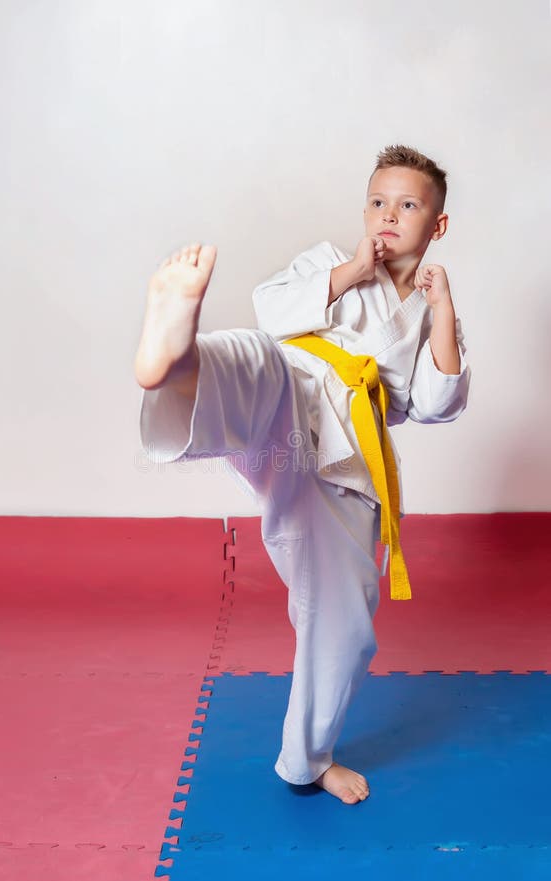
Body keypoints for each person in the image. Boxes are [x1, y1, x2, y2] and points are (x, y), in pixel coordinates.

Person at [134, 144, 471, 805]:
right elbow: (273, 311)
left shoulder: (434, 318)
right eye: (378, 201)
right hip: (292, 406)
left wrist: (444, 310)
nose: (388, 215)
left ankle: (307, 762)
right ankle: (175, 360)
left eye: (408, 205)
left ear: (438, 226)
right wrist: (351, 270)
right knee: (260, 362)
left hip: (348, 469)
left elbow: (435, 403)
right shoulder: (329, 262)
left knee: (346, 624)